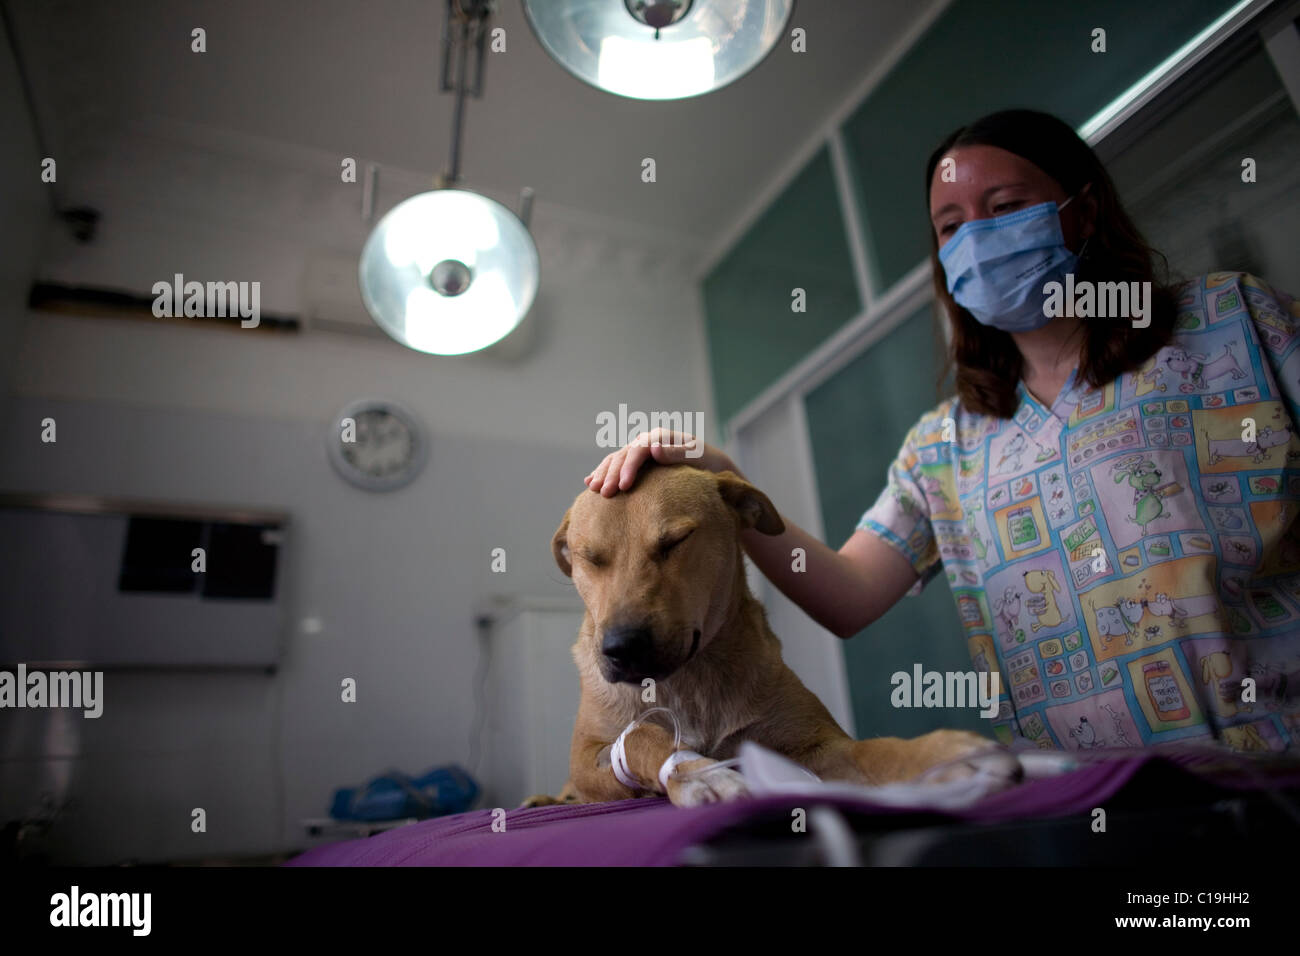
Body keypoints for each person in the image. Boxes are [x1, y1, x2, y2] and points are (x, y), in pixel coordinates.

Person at [584, 109, 1300, 754]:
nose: (977, 239)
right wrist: (722, 479)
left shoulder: (1234, 324)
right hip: (1074, 797)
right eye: (952, 226)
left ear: (1081, 214)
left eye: (1006, 207)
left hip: (1272, 765)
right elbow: (847, 596)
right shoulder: (944, 447)